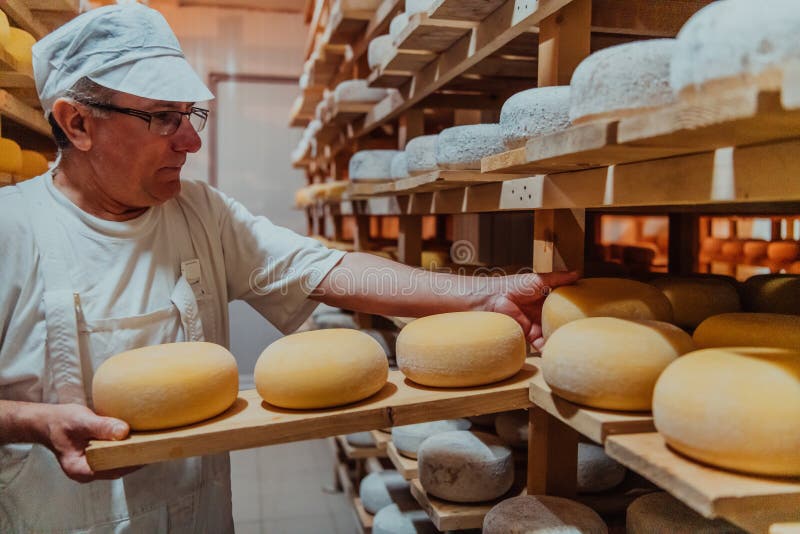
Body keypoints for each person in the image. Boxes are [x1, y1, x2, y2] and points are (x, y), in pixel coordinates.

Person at [0, 3, 577, 532]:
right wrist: (31, 419)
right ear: (76, 124)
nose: (190, 142)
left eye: (189, 114)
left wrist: (482, 294)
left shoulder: (201, 211)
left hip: (196, 516)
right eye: (160, 119)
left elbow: (330, 268)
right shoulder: (11, 229)